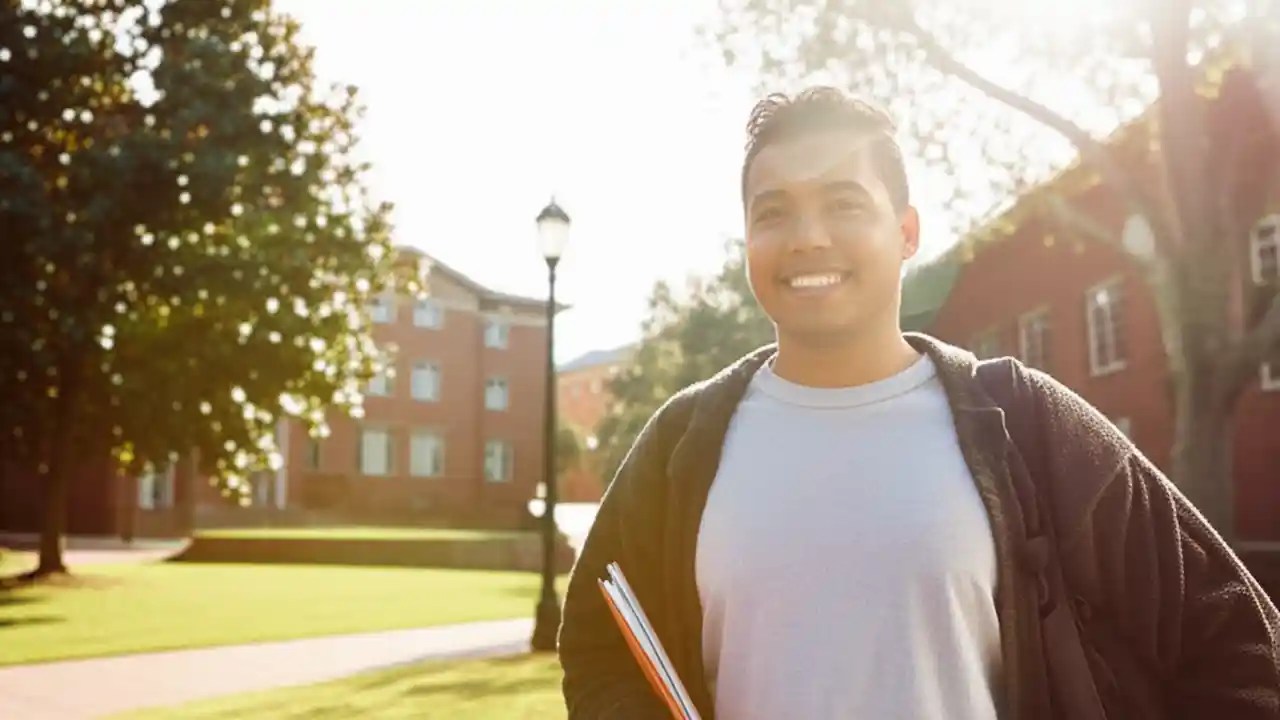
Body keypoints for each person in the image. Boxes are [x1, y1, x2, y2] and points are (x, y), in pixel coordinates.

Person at [557, 86, 1280, 719]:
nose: (807, 238)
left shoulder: (1028, 425)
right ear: (748, 240)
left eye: (843, 203)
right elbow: (598, 643)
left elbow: (1235, 638)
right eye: (773, 212)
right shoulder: (684, 443)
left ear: (906, 233)